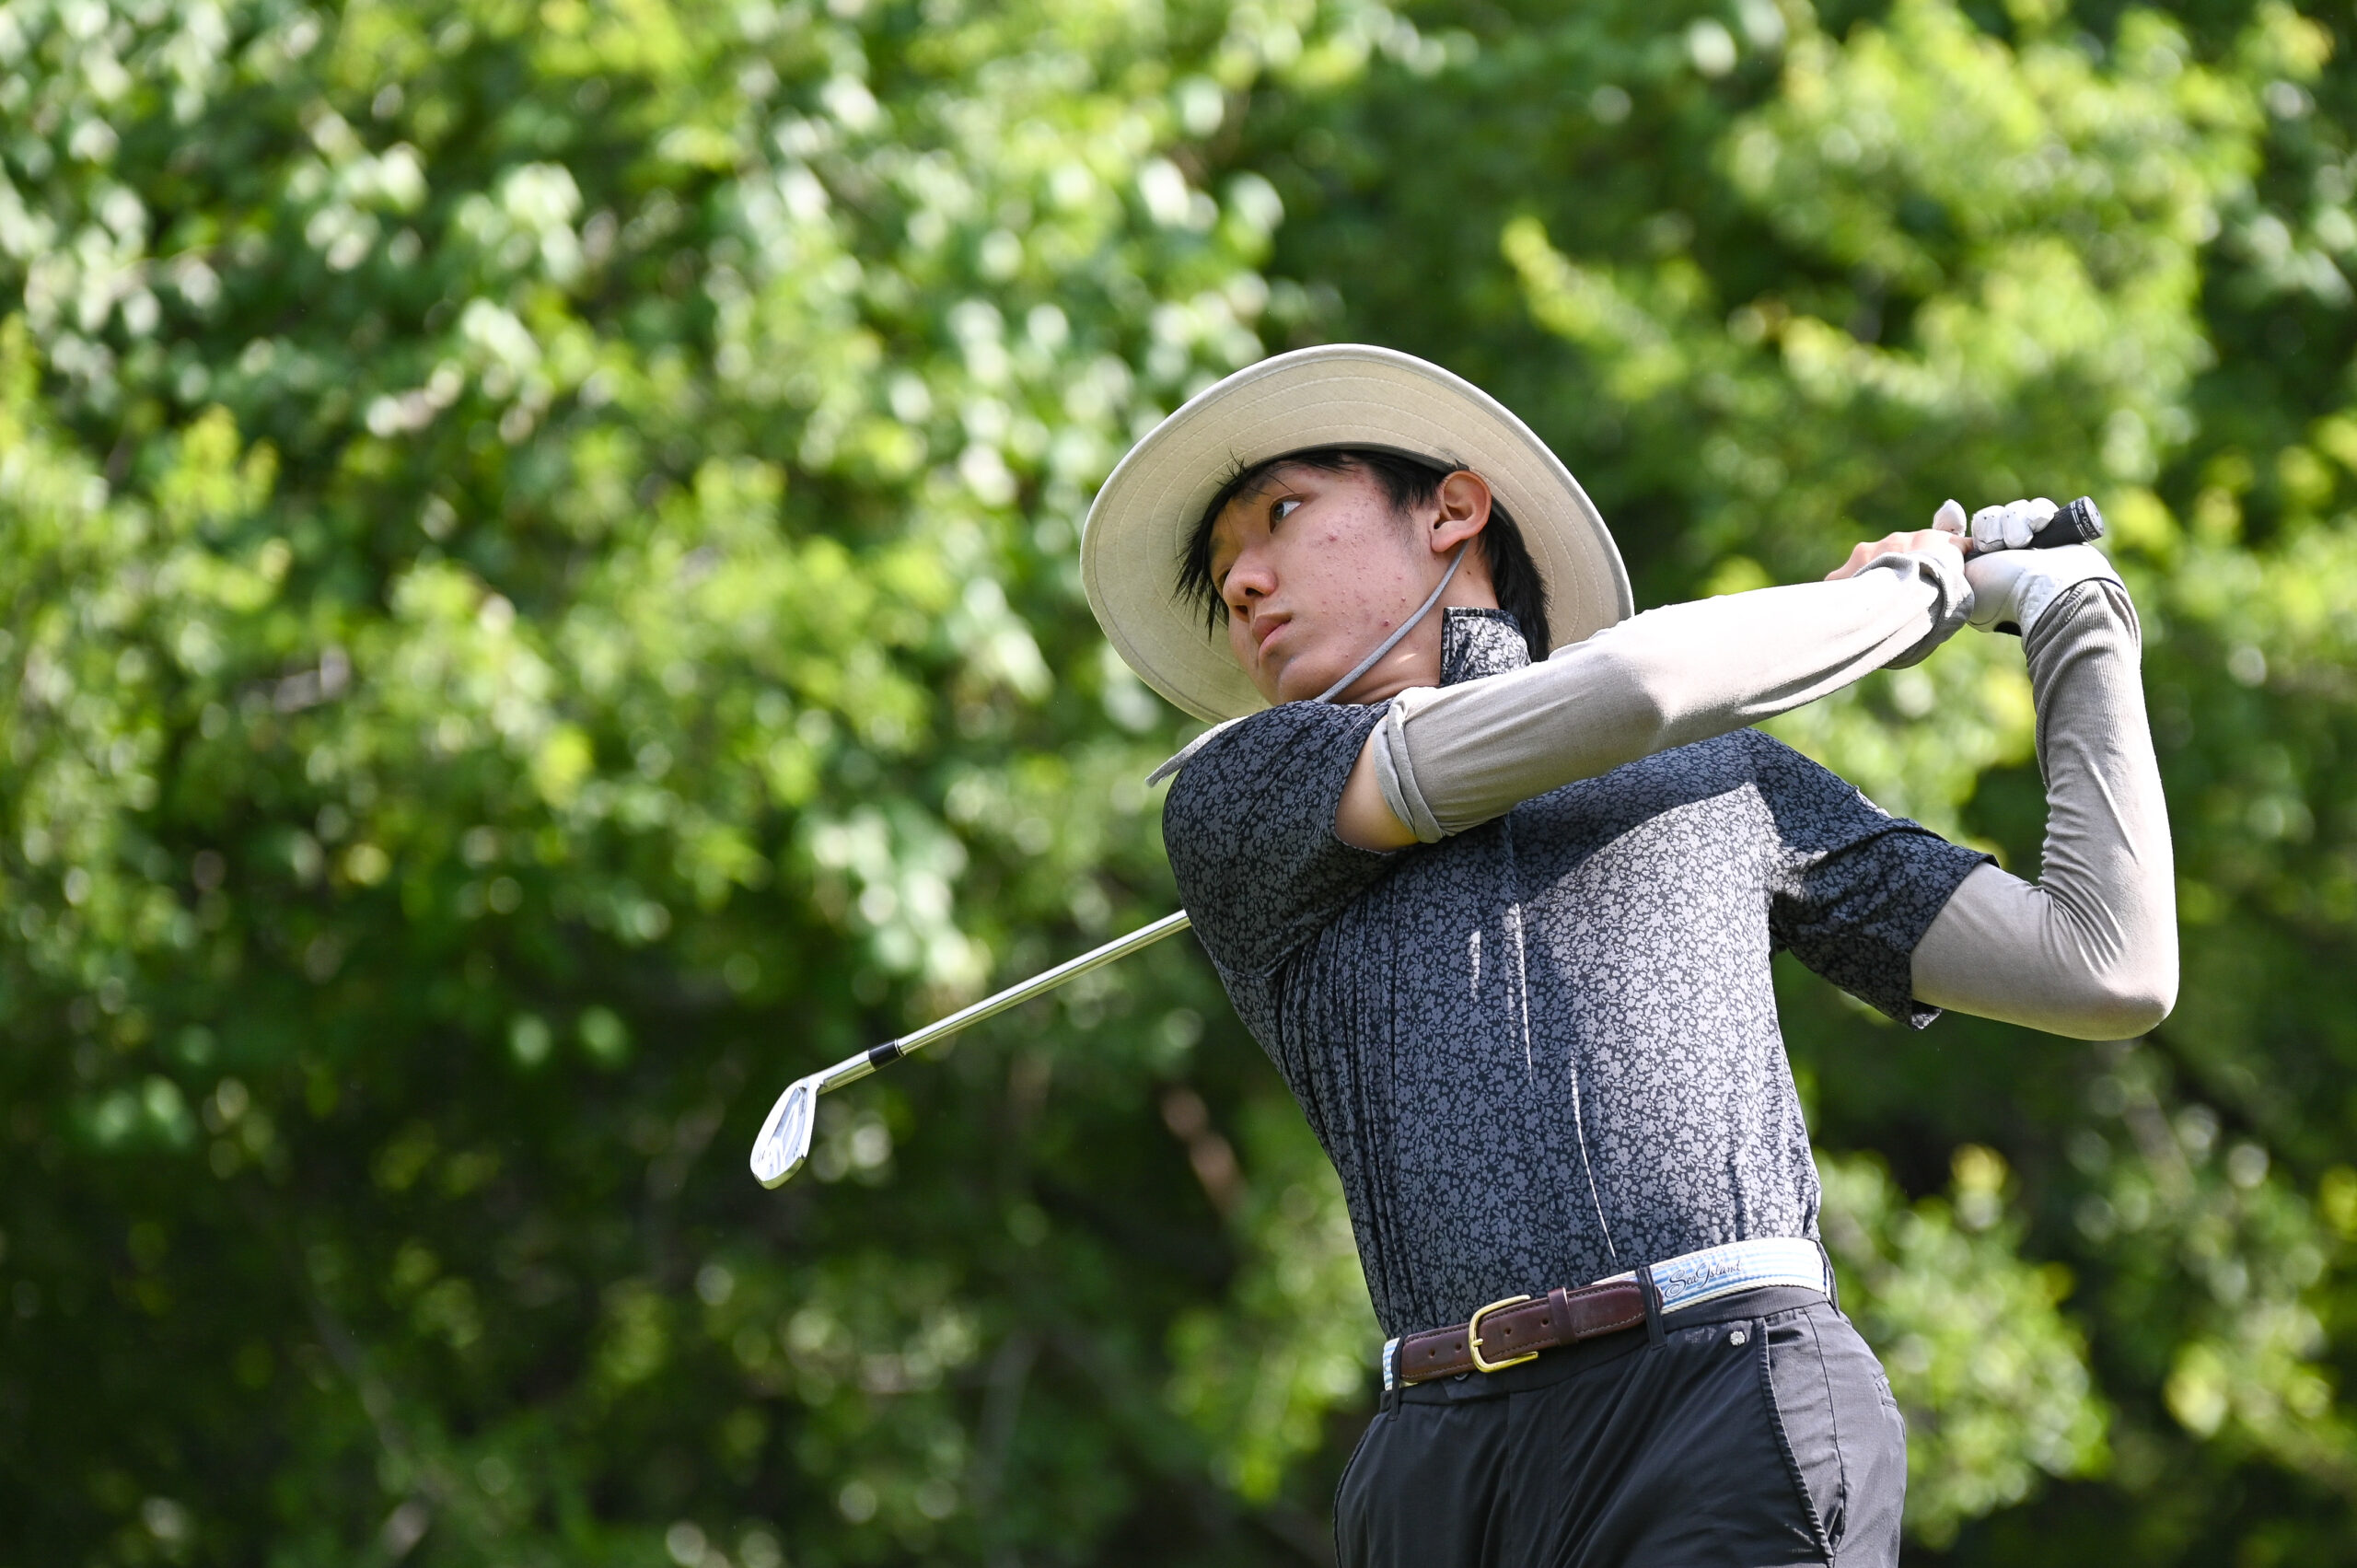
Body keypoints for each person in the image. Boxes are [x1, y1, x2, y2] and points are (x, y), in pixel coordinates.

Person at [1078, 344, 2175, 1567]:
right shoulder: (1244, 793)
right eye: (1222, 571)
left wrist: (2076, 616)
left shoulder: (1726, 778)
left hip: (1726, 1404)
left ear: (1452, 507)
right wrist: (1915, 595)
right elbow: (1641, 688)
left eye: (1279, 514)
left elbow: (2105, 967)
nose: (1244, 582)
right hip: (1437, 1473)